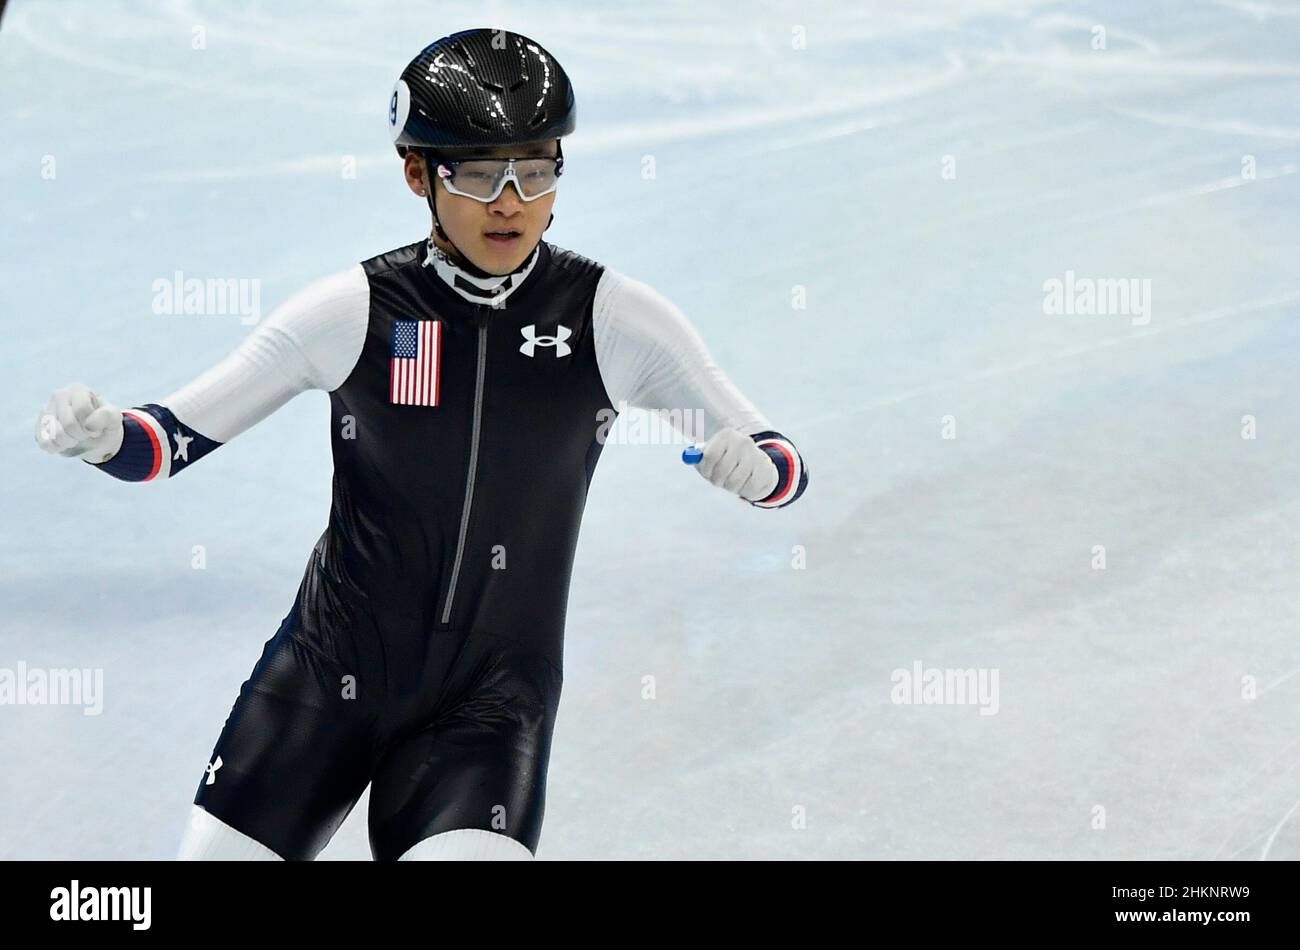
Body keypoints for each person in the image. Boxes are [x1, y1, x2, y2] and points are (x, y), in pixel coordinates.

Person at [33, 28, 809, 861]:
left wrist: (756, 469)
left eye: (537, 170)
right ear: (417, 174)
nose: (511, 201)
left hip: (487, 709)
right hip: (321, 684)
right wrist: (104, 435)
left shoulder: (612, 321)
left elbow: (782, 465)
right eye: (479, 173)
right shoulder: (357, 309)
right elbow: (167, 441)